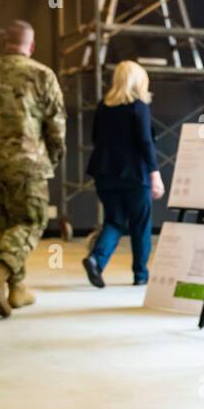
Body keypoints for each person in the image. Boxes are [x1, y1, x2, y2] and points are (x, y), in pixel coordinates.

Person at [0, 20, 66, 317]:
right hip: (27, 164)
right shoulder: (41, 74)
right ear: (31, 45)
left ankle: (17, 288)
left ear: (5, 43)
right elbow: (56, 126)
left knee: (3, 224)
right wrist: (53, 158)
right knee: (31, 221)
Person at [81, 61, 164, 287]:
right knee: (140, 225)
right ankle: (140, 275)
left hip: (105, 173)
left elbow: (95, 138)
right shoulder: (139, 107)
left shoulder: (103, 106)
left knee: (114, 221)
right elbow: (145, 142)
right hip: (135, 175)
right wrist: (155, 173)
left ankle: (96, 259)